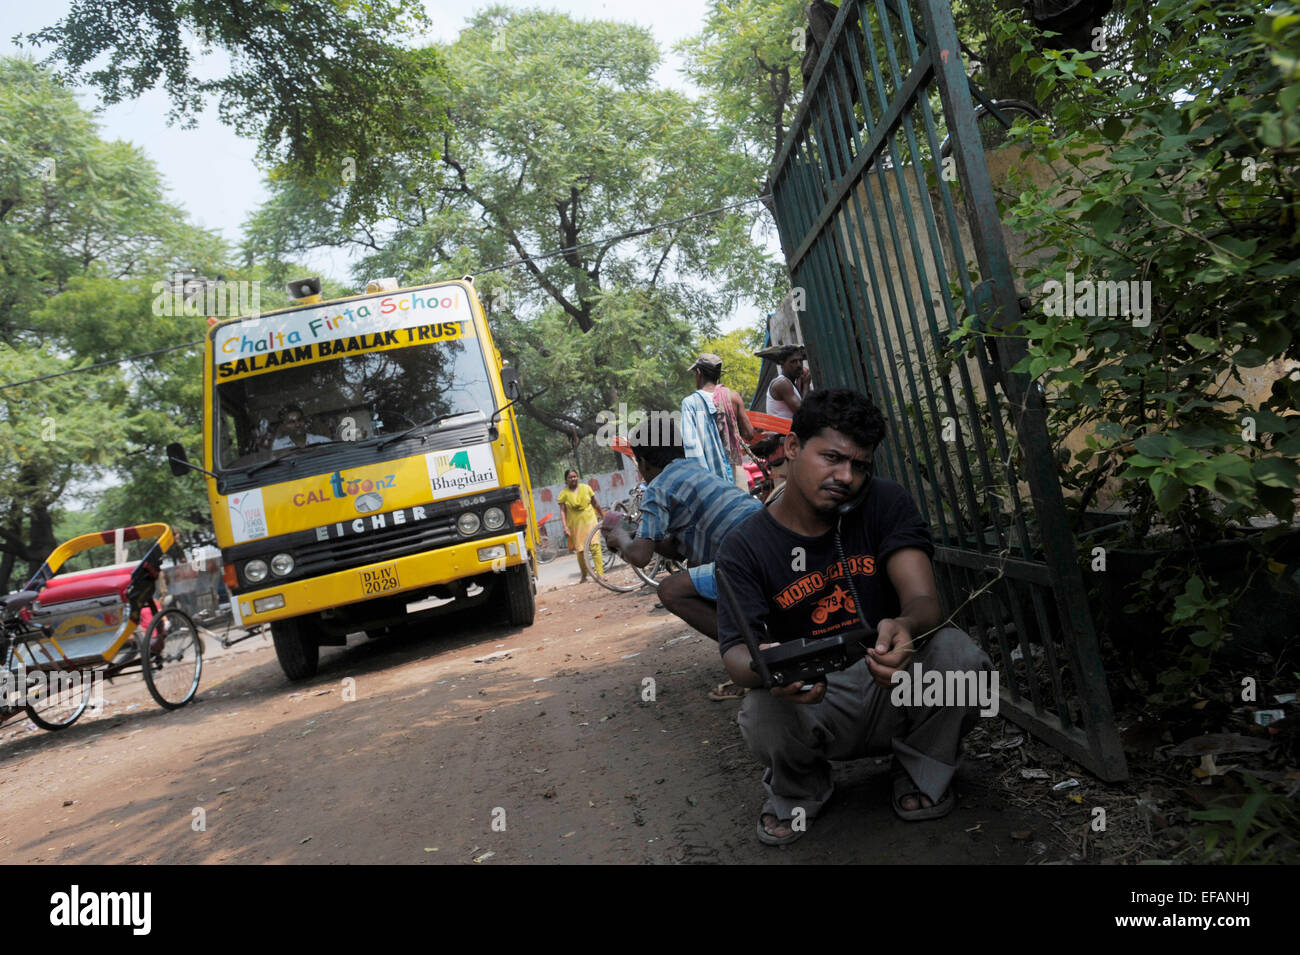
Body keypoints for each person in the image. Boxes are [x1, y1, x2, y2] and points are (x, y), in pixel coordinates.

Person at [715, 387, 992, 845]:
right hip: (813, 699)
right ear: (792, 448)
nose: (846, 476)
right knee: (760, 709)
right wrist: (768, 667)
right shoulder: (744, 547)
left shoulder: (885, 502)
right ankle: (799, 793)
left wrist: (905, 626)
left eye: (859, 465)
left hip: (891, 681)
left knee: (961, 659)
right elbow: (736, 653)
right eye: (832, 458)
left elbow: (924, 601)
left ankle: (920, 771)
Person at [602, 416, 762, 700]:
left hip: (747, 565)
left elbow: (640, 556)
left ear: (642, 463)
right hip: (766, 544)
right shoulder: (693, 469)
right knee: (698, 571)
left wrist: (621, 538)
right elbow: (675, 549)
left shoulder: (659, 487)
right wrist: (639, 533)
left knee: (671, 590)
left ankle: (752, 660)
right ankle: (756, 646)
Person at [683, 353, 756, 490]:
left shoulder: (690, 403)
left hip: (711, 475)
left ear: (699, 372)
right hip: (736, 469)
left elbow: (691, 447)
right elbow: (749, 434)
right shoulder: (733, 397)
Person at [558, 469, 605, 584]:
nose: (573, 479)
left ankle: (600, 574)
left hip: (590, 521)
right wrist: (565, 527)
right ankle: (584, 576)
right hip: (575, 526)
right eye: (570, 477)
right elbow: (563, 511)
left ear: (577, 477)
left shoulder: (586, 488)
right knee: (580, 551)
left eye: (574, 476)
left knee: (595, 547)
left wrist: (603, 515)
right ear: (566, 480)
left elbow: (595, 503)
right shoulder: (564, 494)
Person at [766, 345, 811, 420]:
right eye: (793, 362)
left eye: (800, 361)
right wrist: (806, 385)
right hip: (783, 431)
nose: (799, 365)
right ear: (782, 364)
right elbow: (803, 414)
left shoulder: (792, 382)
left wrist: (803, 386)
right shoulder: (782, 383)